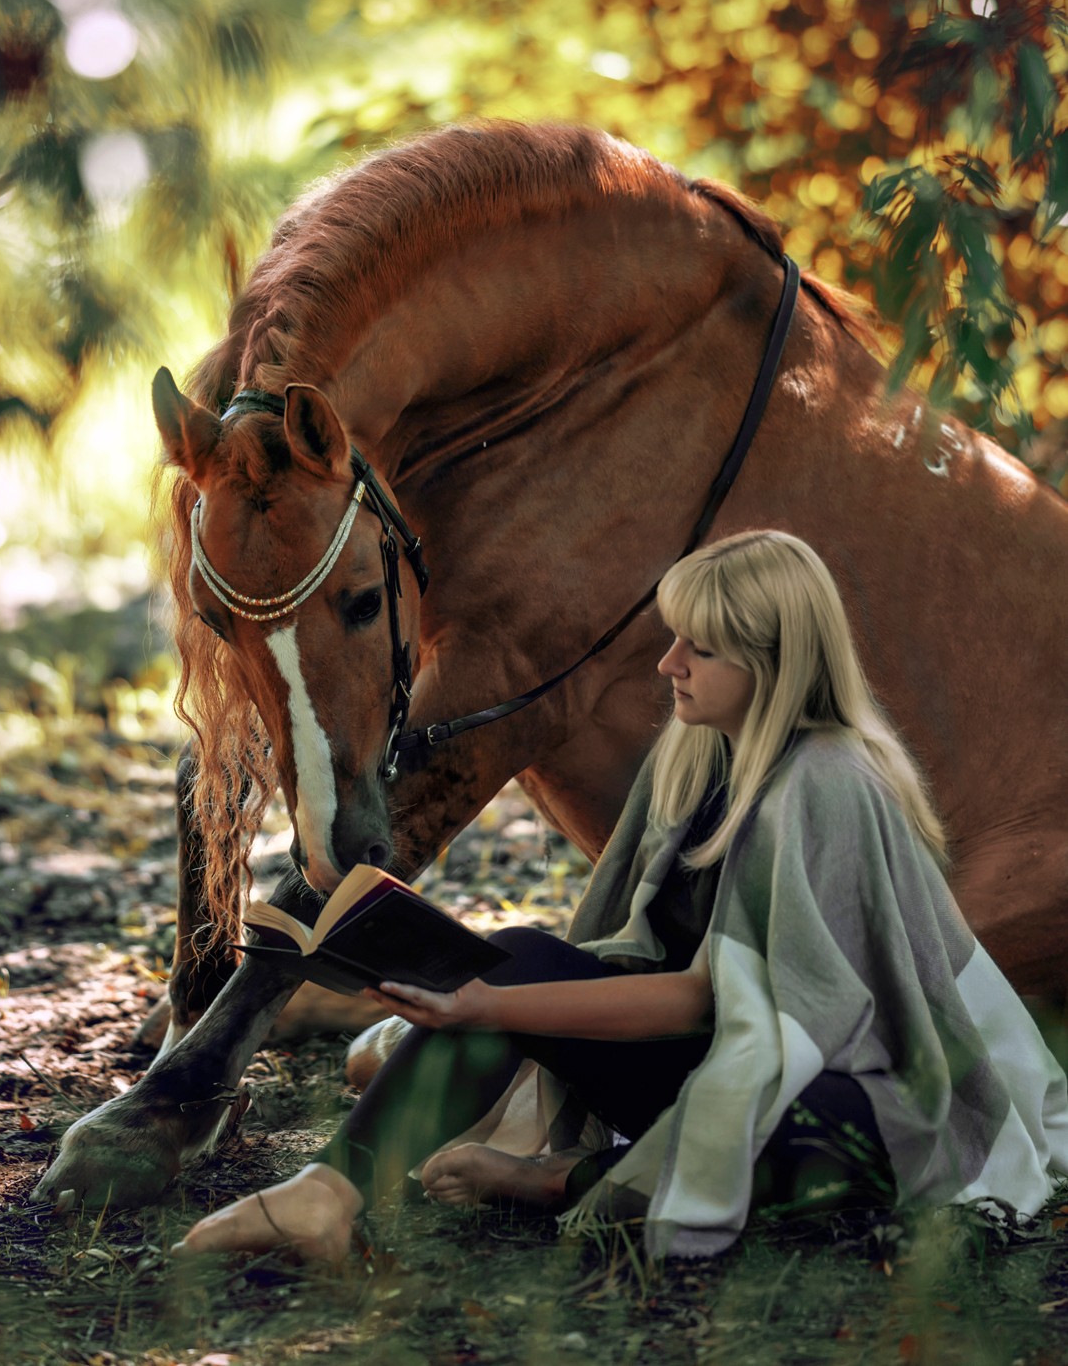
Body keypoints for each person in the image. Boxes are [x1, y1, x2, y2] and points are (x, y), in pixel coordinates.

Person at [174, 530, 1068, 1264]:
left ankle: (553, 1183)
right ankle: (325, 1193)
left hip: (860, 1091)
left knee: (811, 1134)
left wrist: (490, 1009)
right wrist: (478, 994)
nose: (669, 664)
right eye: (674, 637)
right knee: (516, 955)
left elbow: (714, 1000)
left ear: (774, 664)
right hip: (720, 1061)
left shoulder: (828, 783)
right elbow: (646, 956)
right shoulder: (701, 753)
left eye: (700, 648)